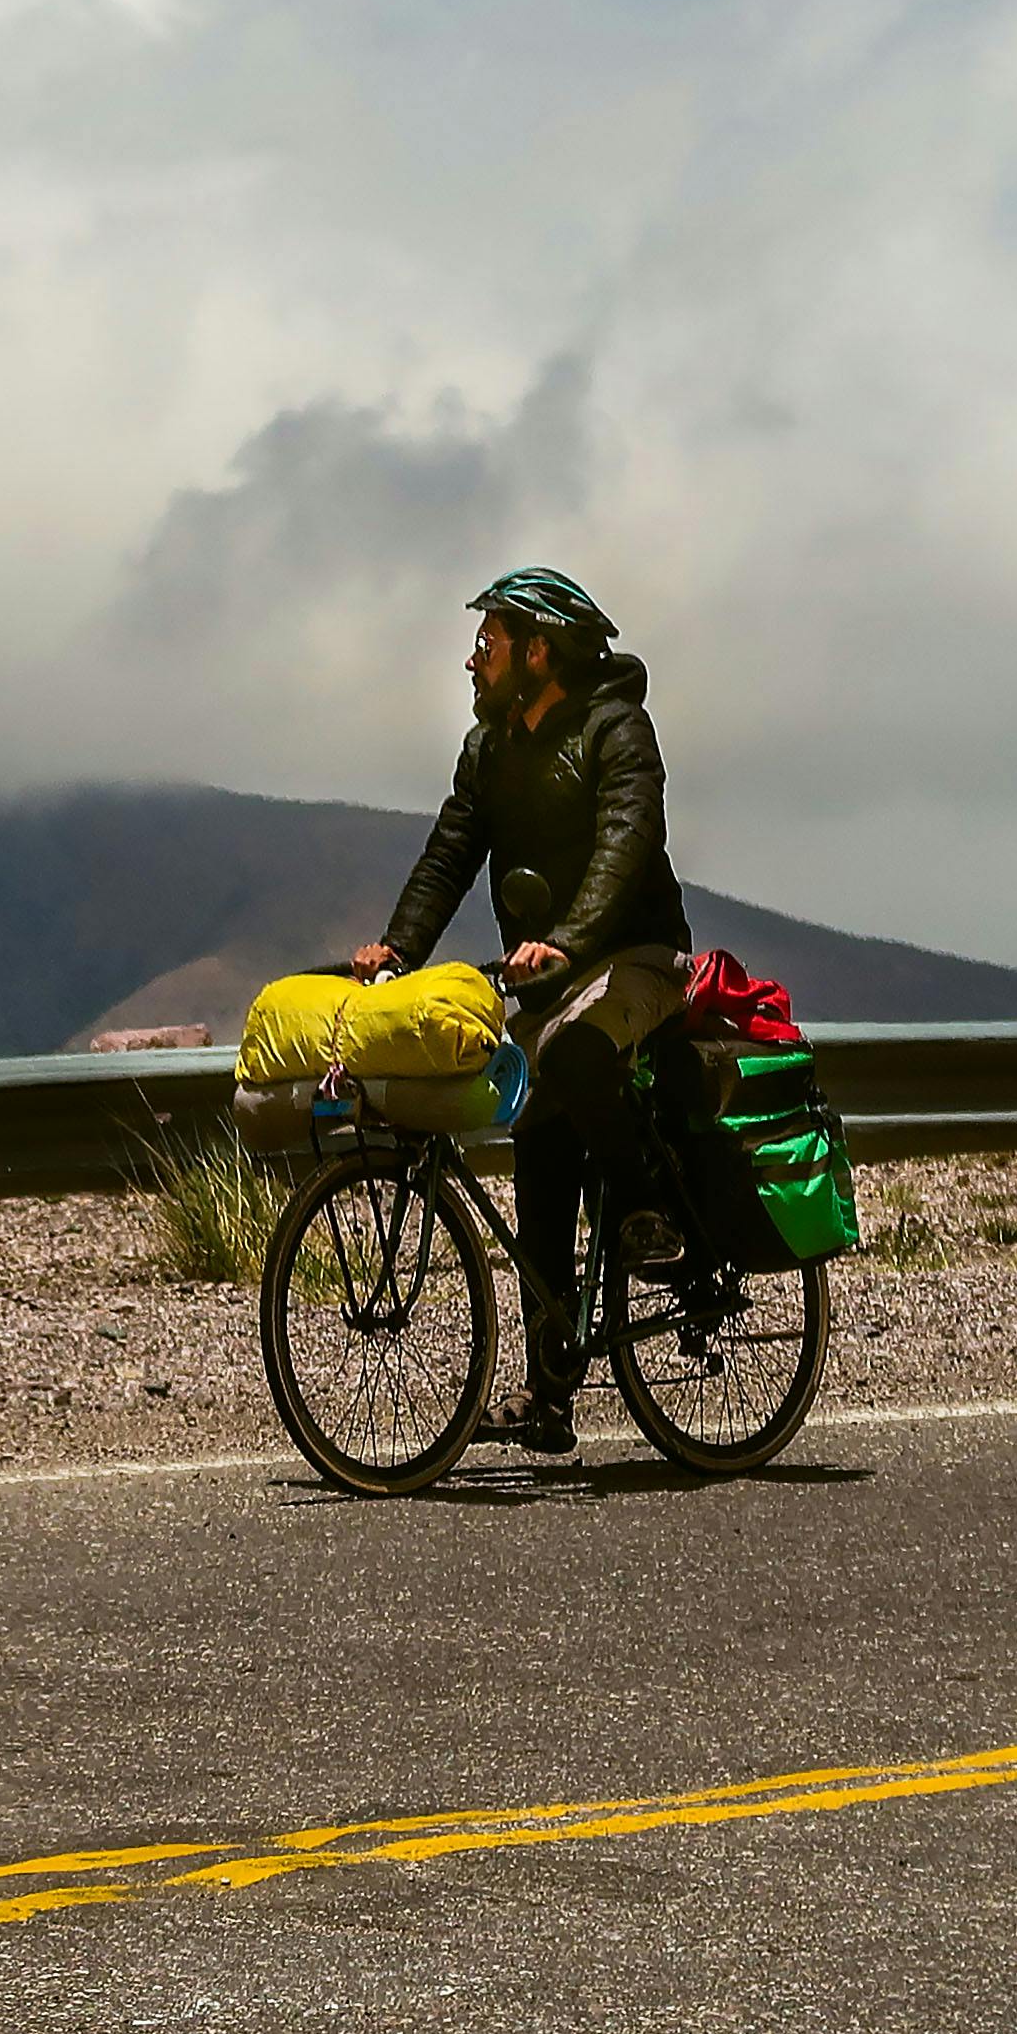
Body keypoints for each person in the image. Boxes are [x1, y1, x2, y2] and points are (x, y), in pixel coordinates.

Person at [346, 566, 719, 1455]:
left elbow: (626, 846)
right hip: (546, 979)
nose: (471, 659)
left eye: (489, 642)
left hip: (635, 959)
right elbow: (448, 856)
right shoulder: (488, 751)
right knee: (540, 1161)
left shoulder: (616, 731)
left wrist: (569, 938)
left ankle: (647, 1212)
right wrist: (398, 948)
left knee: (578, 1058)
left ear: (540, 650)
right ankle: (549, 1395)